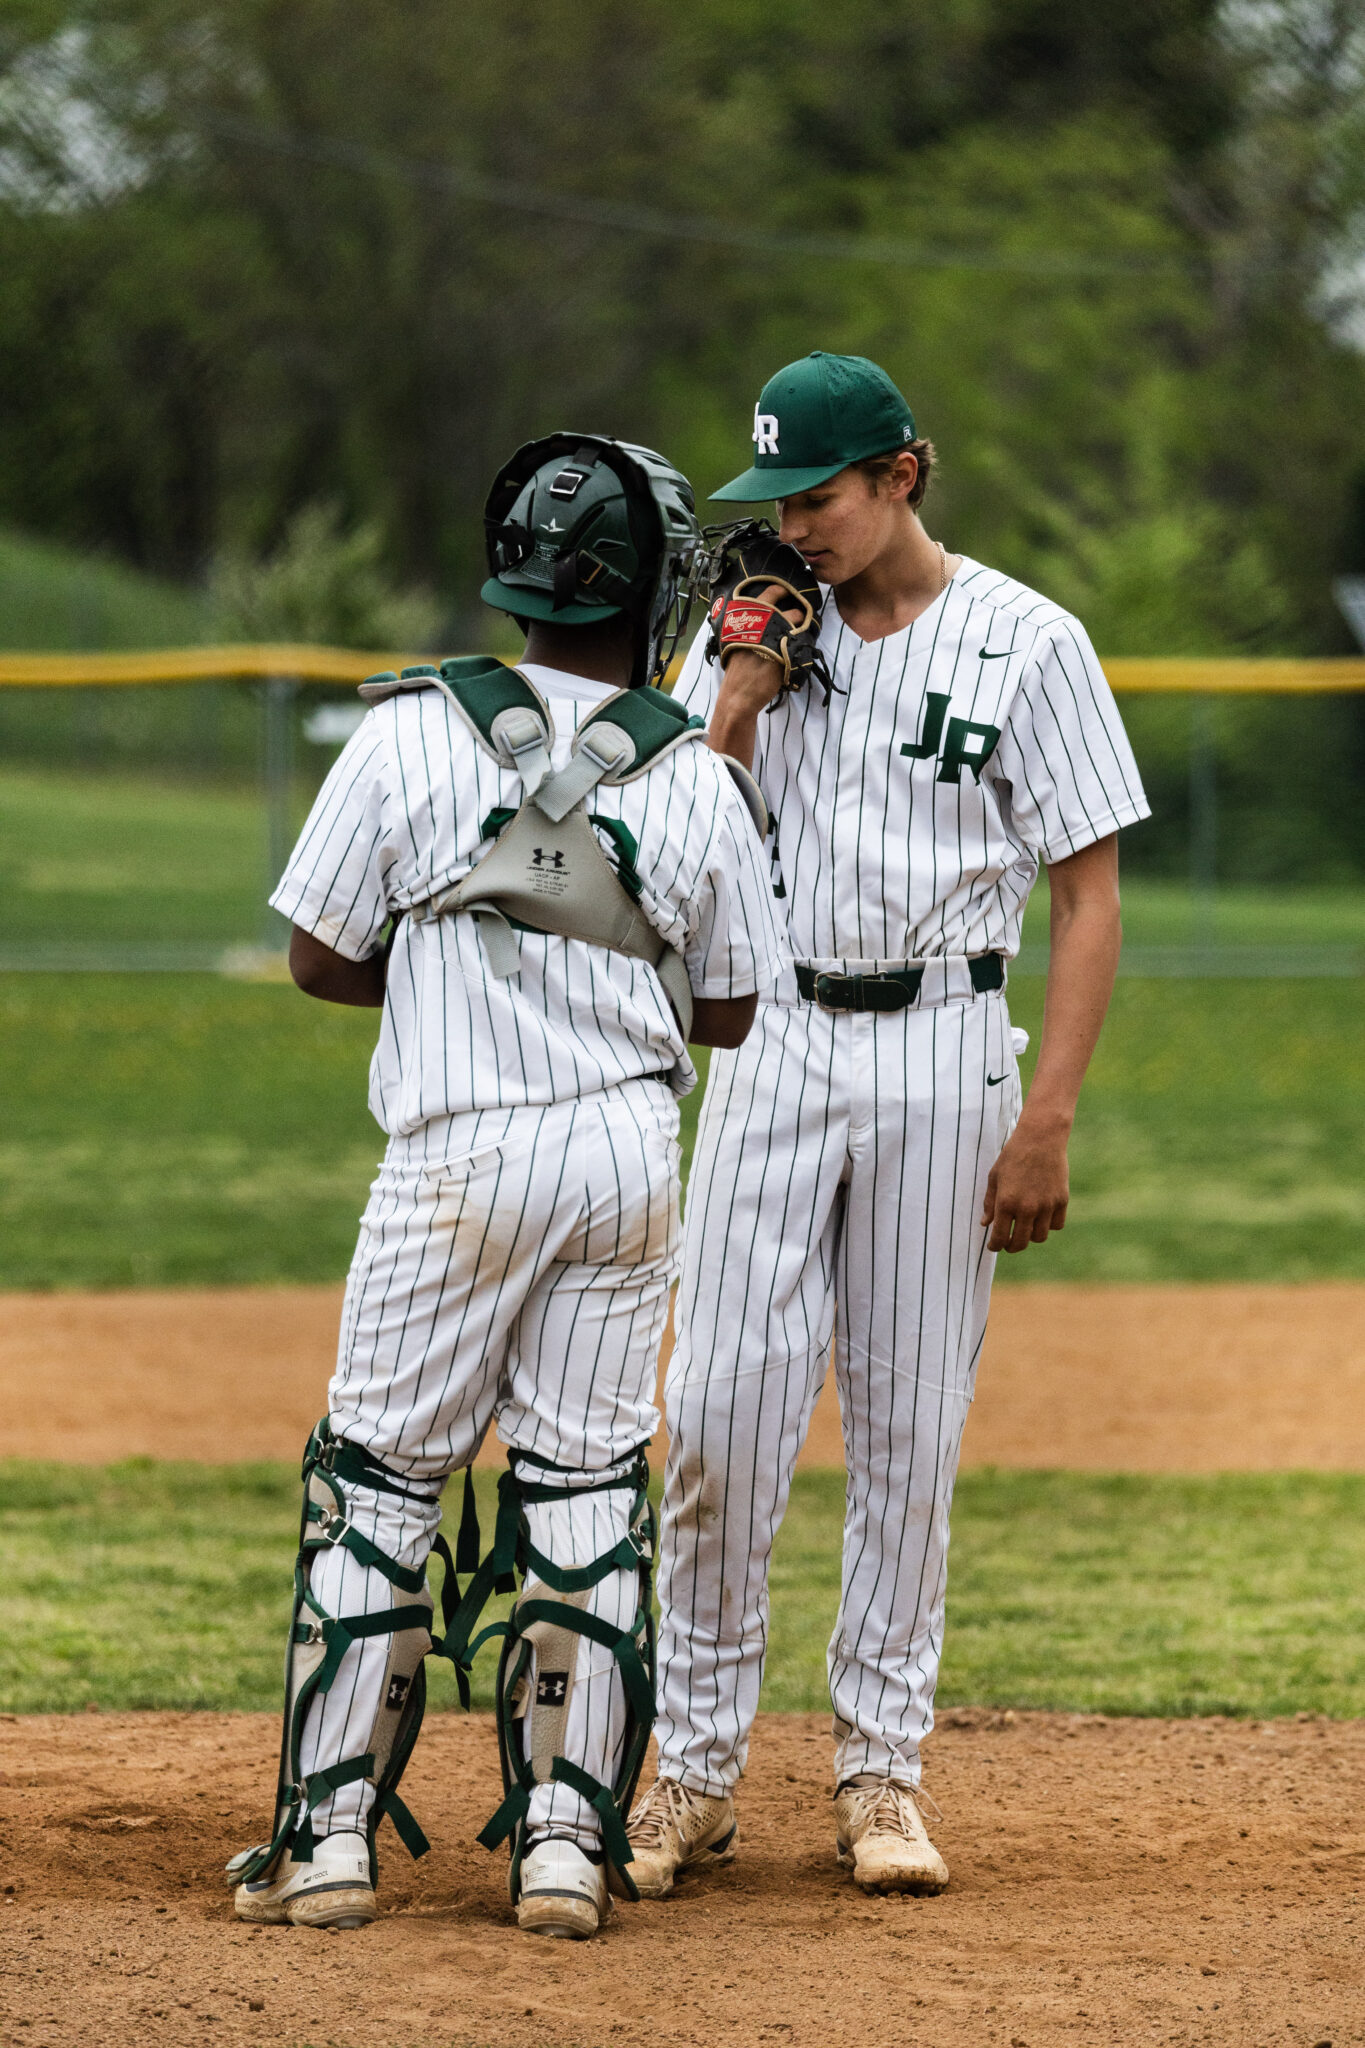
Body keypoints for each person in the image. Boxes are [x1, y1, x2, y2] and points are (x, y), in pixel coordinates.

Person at [226, 433, 781, 1940]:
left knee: (384, 1485)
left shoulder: (406, 737)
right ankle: (560, 1848)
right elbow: (729, 1011)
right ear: (656, 580)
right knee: (587, 1492)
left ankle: (330, 1841)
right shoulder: (688, 766)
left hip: (457, 1155)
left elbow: (319, 957)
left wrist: (466, 969)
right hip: (620, 1161)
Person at [624, 351, 1150, 1898]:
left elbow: (1088, 893)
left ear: (902, 475)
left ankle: (879, 1773)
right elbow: (662, 850)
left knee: (909, 1429)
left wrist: (1045, 1112)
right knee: (718, 1417)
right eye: (773, 499)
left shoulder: (1027, 642)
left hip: (941, 1044)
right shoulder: (741, 637)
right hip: (771, 1039)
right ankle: (692, 1774)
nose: (793, 525)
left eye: (821, 496)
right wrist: (728, 696)